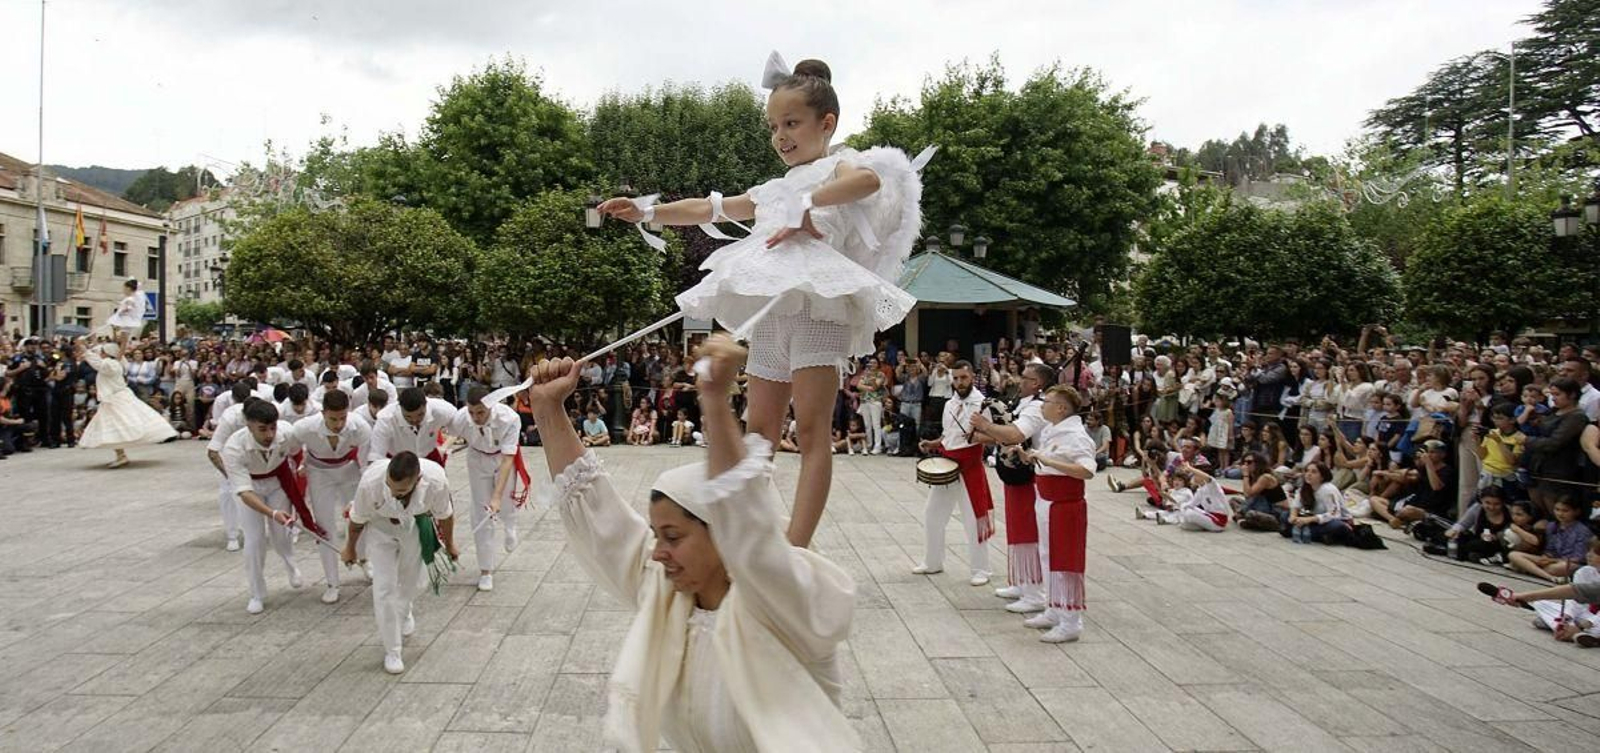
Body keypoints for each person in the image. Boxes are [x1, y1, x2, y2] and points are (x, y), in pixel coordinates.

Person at [599, 54, 924, 548]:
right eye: (774, 125)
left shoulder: (841, 164)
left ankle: (796, 545)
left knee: (813, 433)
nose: (780, 135)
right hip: (773, 307)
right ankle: (749, 533)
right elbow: (711, 207)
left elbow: (868, 183)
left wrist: (807, 206)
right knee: (760, 433)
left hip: (820, 303)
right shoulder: (774, 187)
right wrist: (645, 211)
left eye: (791, 123)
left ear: (827, 123)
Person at [520, 335, 858, 751]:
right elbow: (598, 516)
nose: (657, 552)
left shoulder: (786, 600)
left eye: (674, 537)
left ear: (723, 537)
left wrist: (715, 403)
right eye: (656, 535)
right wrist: (548, 409)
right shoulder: (666, 590)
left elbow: (748, 527)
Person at [984, 385, 1096, 643]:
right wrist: (1028, 456)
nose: (1042, 405)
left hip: (1065, 505)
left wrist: (1048, 461)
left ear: (1061, 408)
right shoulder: (1053, 431)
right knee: (1047, 555)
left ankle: (1071, 620)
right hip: (1046, 500)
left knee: (1065, 559)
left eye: (1047, 401)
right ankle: (1054, 608)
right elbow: (1046, 461)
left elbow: (1086, 470)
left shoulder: (1076, 435)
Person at [342, 451, 457, 674]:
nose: (395, 493)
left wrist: (451, 544)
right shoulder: (370, 482)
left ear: (418, 480)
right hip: (380, 530)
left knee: (414, 583)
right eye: (391, 486)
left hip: (413, 527)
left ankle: (405, 610)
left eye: (402, 490)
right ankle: (392, 650)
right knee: (384, 589)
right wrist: (350, 548)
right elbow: (357, 521)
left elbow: (445, 516)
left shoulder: (436, 479)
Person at [222, 400, 318, 615]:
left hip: (276, 483)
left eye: (272, 427)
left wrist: (302, 466)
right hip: (251, 489)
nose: (269, 434)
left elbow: (297, 452)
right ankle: (257, 593)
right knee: (254, 540)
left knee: (281, 534)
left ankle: (291, 564)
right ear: (248, 425)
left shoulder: (286, 433)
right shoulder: (233, 448)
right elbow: (244, 492)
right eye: (262, 429)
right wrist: (272, 513)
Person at [913, 361, 994, 586]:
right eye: (956, 378)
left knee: (974, 520)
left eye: (963, 378)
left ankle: (982, 570)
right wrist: (934, 443)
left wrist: (977, 437)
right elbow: (949, 435)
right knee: (932, 514)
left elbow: (996, 436)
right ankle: (933, 561)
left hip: (970, 467)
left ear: (972, 377)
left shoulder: (983, 404)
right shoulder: (949, 403)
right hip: (947, 464)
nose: (959, 382)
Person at [291, 390, 372, 604]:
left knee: (359, 517)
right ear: (323, 412)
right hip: (319, 472)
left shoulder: (360, 426)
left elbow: (366, 463)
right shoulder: (304, 427)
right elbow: (290, 448)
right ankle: (332, 582)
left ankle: (364, 559)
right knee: (324, 526)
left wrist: (365, 491)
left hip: (349, 469)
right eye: (333, 419)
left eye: (343, 417)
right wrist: (300, 464)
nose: (338, 424)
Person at [448, 387, 530, 592]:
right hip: (476, 458)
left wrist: (496, 496)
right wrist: (444, 448)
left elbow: (508, 458)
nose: (476, 417)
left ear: (491, 407)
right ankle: (486, 570)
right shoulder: (461, 417)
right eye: (472, 412)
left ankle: (510, 525)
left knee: (504, 503)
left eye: (481, 412)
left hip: (501, 458)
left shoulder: (509, 419)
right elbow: (451, 434)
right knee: (481, 512)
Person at [74, 341, 177, 468]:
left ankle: (121, 455)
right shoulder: (116, 362)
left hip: (116, 399)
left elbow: (97, 363)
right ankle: (120, 455)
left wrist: (84, 350)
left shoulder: (110, 364)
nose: (100, 353)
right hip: (115, 398)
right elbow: (101, 358)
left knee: (118, 424)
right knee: (114, 425)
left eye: (102, 352)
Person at [1509, 497, 1593, 583]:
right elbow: (1550, 549)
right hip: (1551, 560)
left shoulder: (1583, 531)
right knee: (1513, 555)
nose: (1560, 514)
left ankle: (1529, 569)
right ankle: (1549, 577)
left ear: (1576, 511)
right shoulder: (1551, 526)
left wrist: (1552, 561)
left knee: (1557, 568)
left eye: (1565, 511)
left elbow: (1580, 558)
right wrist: (1546, 557)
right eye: (1557, 510)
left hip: (1569, 563)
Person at [367, 387, 456, 466]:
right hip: (397, 458)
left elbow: (460, 426)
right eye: (408, 417)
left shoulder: (442, 410)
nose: (414, 420)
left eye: (420, 415)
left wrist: (444, 446)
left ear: (426, 405)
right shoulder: (386, 418)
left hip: (428, 454)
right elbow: (376, 456)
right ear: (400, 408)